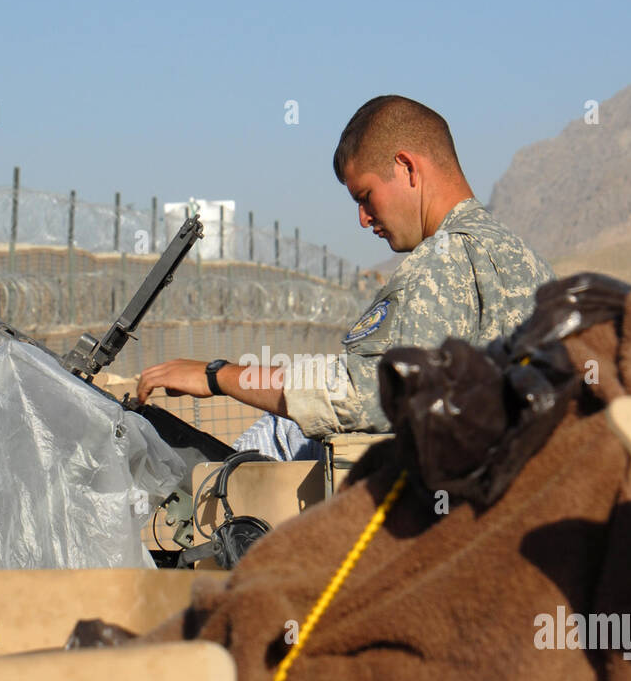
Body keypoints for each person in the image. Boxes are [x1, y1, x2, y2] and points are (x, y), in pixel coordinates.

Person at [136, 95, 555, 455]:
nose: (363, 219)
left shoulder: (440, 260)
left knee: (266, 454)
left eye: (366, 196)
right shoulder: (525, 259)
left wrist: (219, 376)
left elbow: (363, 395)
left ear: (408, 168)